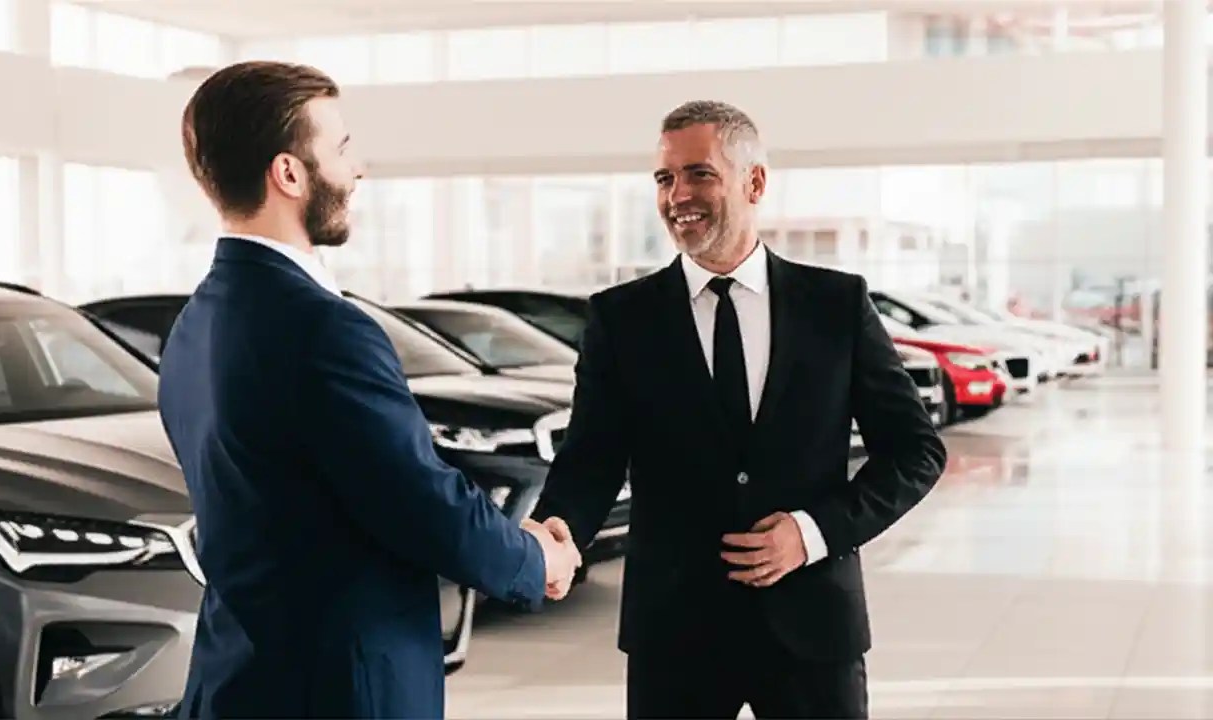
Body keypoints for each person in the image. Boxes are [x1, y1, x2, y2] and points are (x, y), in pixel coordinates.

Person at [157, 61, 581, 720]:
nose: (357, 171)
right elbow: (416, 500)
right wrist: (535, 558)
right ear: (289, 173)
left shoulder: (193, 325)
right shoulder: (323, 329)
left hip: (236, 680)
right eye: (343, 148)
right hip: (337, 689)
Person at [530, 100, 947, 719]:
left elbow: (916, 452)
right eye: (665, 179)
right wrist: (556, 534)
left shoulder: (836, 304)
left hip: (812, 627)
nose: (678, 195)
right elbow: (591, 456)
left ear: (754, 182)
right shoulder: (621, 318)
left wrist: (811, 534)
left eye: (699, 173)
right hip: (674, 633)